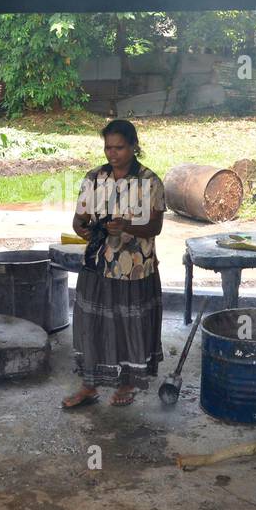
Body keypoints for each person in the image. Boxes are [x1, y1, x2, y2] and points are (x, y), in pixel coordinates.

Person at [62, 120, 166, 408]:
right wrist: (83, 229)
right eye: (108, 147)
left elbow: (155, 227)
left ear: (134, 146)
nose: (112, 153)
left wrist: (128, 227)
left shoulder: (149, 181)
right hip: (97, 264)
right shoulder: (94, 178)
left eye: (119, 147)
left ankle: (128, 381)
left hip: (134, 268)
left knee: (127, 325)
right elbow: (79, 219)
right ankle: (90, 385)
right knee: (93, 326)